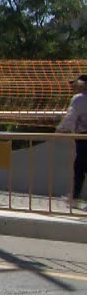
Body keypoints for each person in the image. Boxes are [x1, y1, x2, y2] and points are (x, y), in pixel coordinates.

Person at [57, 74, 87, 209]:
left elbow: (71, 116)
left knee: (79, 167)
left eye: (77, 84)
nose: (74, 86)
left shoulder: (79, 99)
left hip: (83, 138)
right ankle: (74, 197)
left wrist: (60, 130)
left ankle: (74, 198)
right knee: (80, 167)